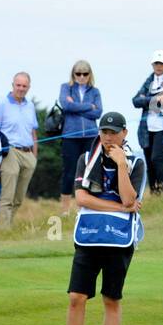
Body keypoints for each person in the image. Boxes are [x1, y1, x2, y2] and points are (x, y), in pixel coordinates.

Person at [51, 111, 145, 325]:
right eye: (104, 132)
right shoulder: (86, 159)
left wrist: (121, 166)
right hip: (90, 235)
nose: (107, 137)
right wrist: (116, 206)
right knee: (75, 297)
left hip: (118, 239)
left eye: (113, 132)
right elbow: (81, 198)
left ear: (124, 134)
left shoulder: (136, 162)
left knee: (111, 299)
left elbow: (130, 199)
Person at [0, 72, 37, 228]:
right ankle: (3, 231)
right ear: (13, 85)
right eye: (18, 85)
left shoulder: (30, 106)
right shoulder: (1, 104)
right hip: (10, 151)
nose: (21, 89)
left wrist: (35, 157)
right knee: (7, 196)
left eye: (24, 86)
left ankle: (7, 227)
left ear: (28, 87)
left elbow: (34, 133)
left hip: (28, 153)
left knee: (19, 198)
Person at [132, 51, 163, 194]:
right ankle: (155, 193)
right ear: (152, 65)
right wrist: (155, 99)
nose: (158, 66)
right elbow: (136, 100)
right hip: (147, 129)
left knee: (157, 159)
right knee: (149, 162)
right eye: (156, 63)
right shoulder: (149, 81)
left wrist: (147, 99)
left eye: (161, 63)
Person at [58, 60, 103, 214]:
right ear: (73, 74)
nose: (82, 77)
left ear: (90, 74)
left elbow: (98, 113)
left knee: (88, 171)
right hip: (70, 136)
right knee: (69, 171)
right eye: (78, 73)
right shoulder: (66, 88)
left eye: (85, 73)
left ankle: (84, 207)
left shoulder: (95, 91)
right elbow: (66, 105)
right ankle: (65, 210)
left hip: (90, 135)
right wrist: (89, 106)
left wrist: (75, 106)